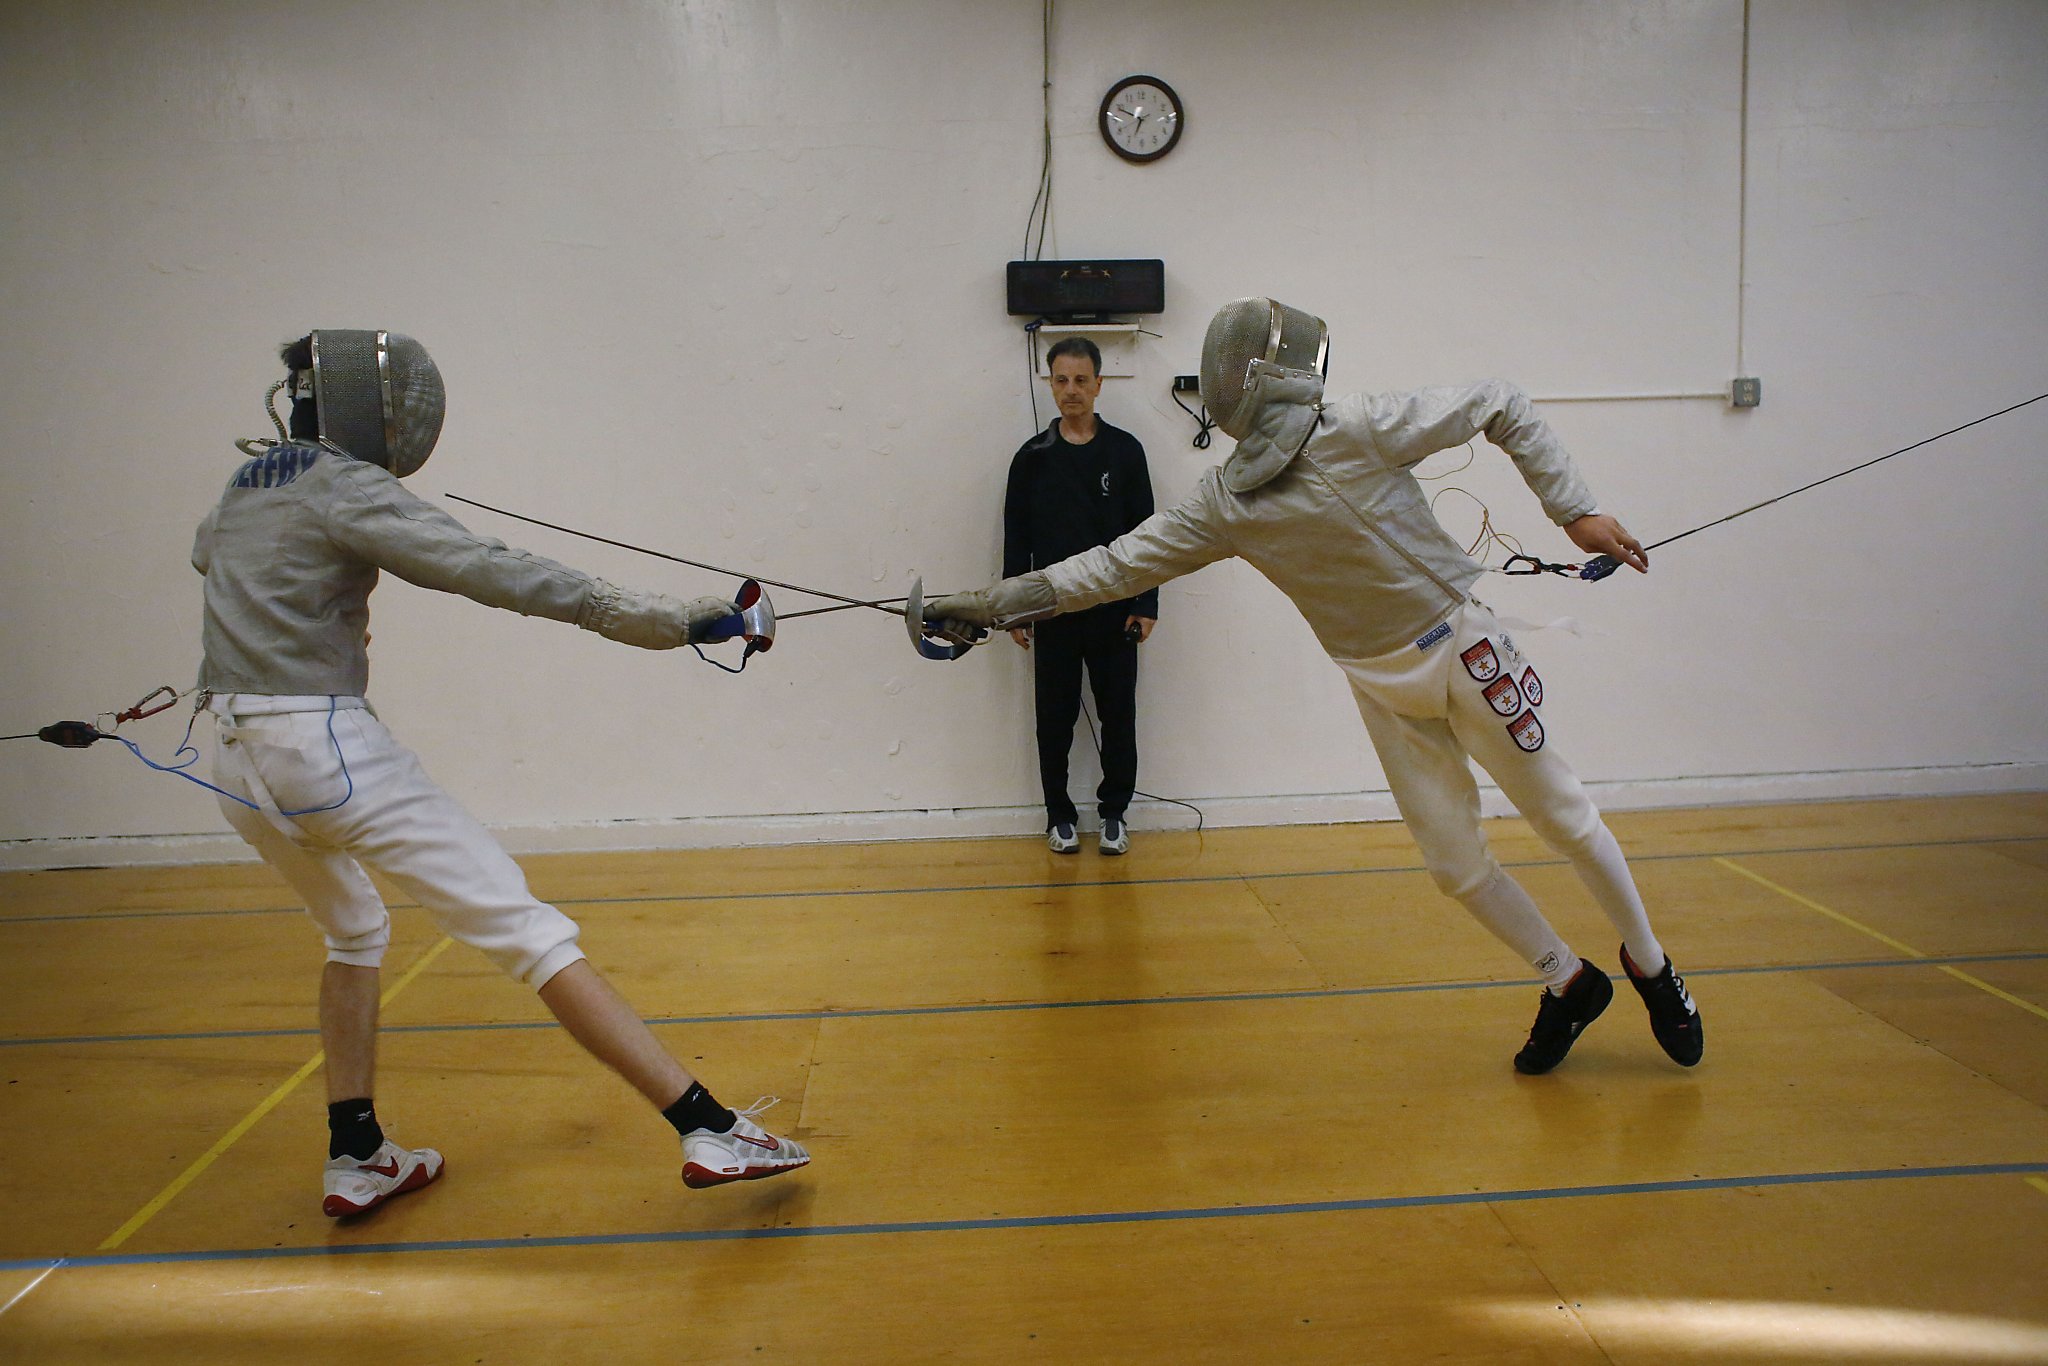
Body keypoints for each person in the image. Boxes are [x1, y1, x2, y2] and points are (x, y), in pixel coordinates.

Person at [926, 298, 1702, 1075]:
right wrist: (991, 605)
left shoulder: (1357, 427)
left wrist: (1575, 511)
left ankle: (1650, 962)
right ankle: (1568, 980)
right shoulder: (1228, 502)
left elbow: (1499, 401)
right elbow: (1112, 567)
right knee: (1456, 868)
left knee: (1563, 817)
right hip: (1381, 685)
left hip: (1465, 649)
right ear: (1273, 378)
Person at [193, 330, 809, 1217]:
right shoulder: (344, 485)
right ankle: (710, 1127)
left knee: (353, 929)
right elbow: (486, 569)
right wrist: (663, 620)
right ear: (369, 408)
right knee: (529, 931)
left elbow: (207, 554)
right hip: (319, 746)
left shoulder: (246, 483)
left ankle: (358, 1153)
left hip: (230, 756)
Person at [1003, 336, 1158, 855]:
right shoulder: (1031, 458)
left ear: (1098, 384)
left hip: (1115, 611)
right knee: (1054, 721)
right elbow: (1017, 539)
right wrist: (1014, 609)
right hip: (1053, 611)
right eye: (1061, 380)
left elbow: (1148, 537)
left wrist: (1146, 603)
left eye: (1081, 380)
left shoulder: (1125, 451)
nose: (1071, 390)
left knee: (1118, 718)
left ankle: (1114, 814)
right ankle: (1059, 816)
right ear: (1050, 385)